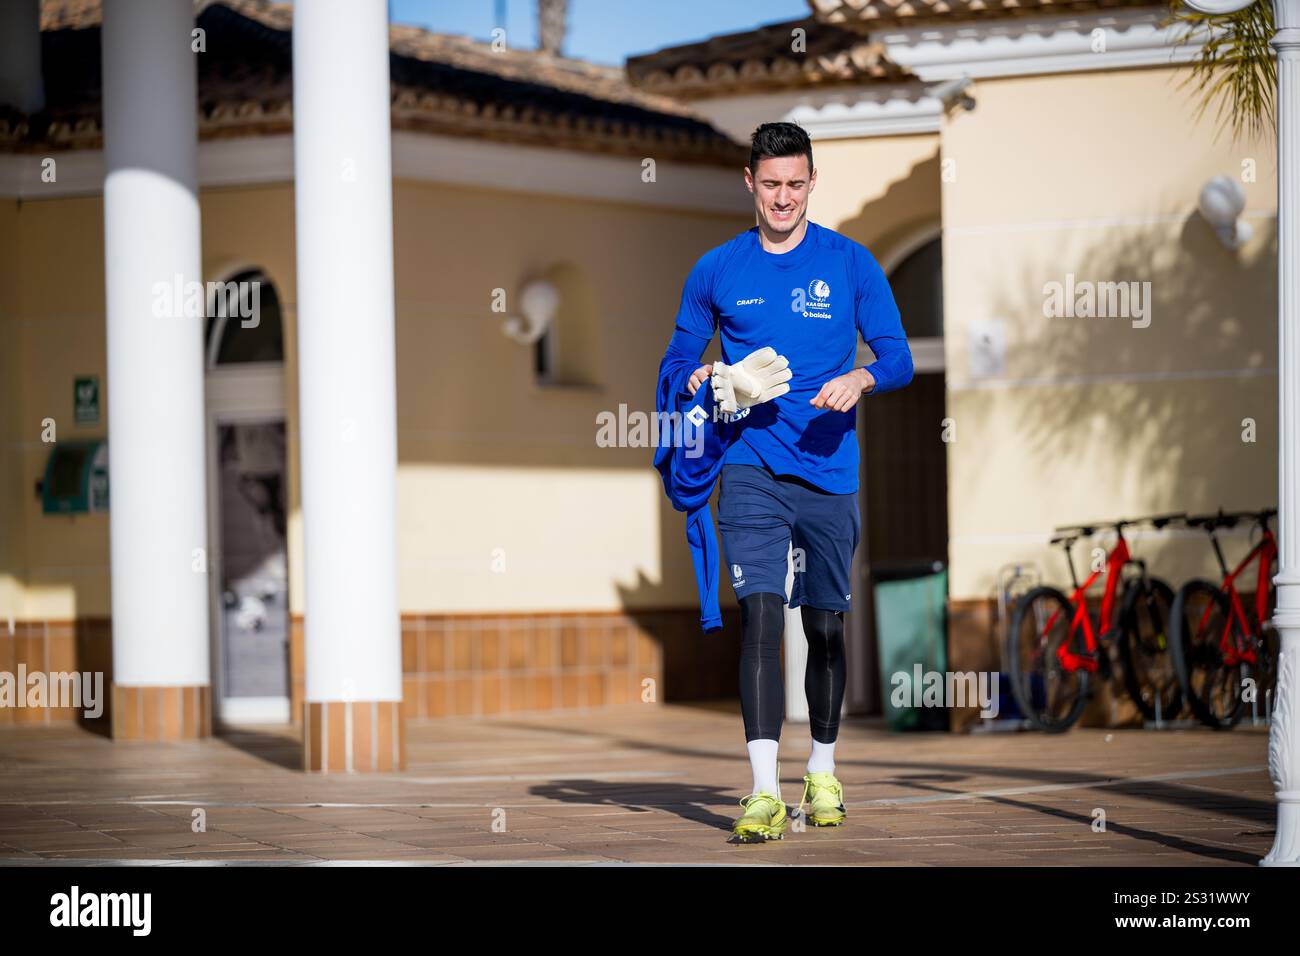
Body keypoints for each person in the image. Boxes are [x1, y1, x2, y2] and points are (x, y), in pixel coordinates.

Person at [658, 121, 913, 843]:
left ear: (811, 182)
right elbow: (676, 361)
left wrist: (860, 378)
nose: (783, 197)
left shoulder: (851, 263)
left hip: (829, 469)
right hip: (749, 466)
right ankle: (765, 790)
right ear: (749, 182)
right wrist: (703, 375)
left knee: (824, 625)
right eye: (770, 184)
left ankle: (823, 768)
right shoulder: (716, 269)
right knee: (763, 616)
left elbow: (898, 357)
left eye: (795, 184)